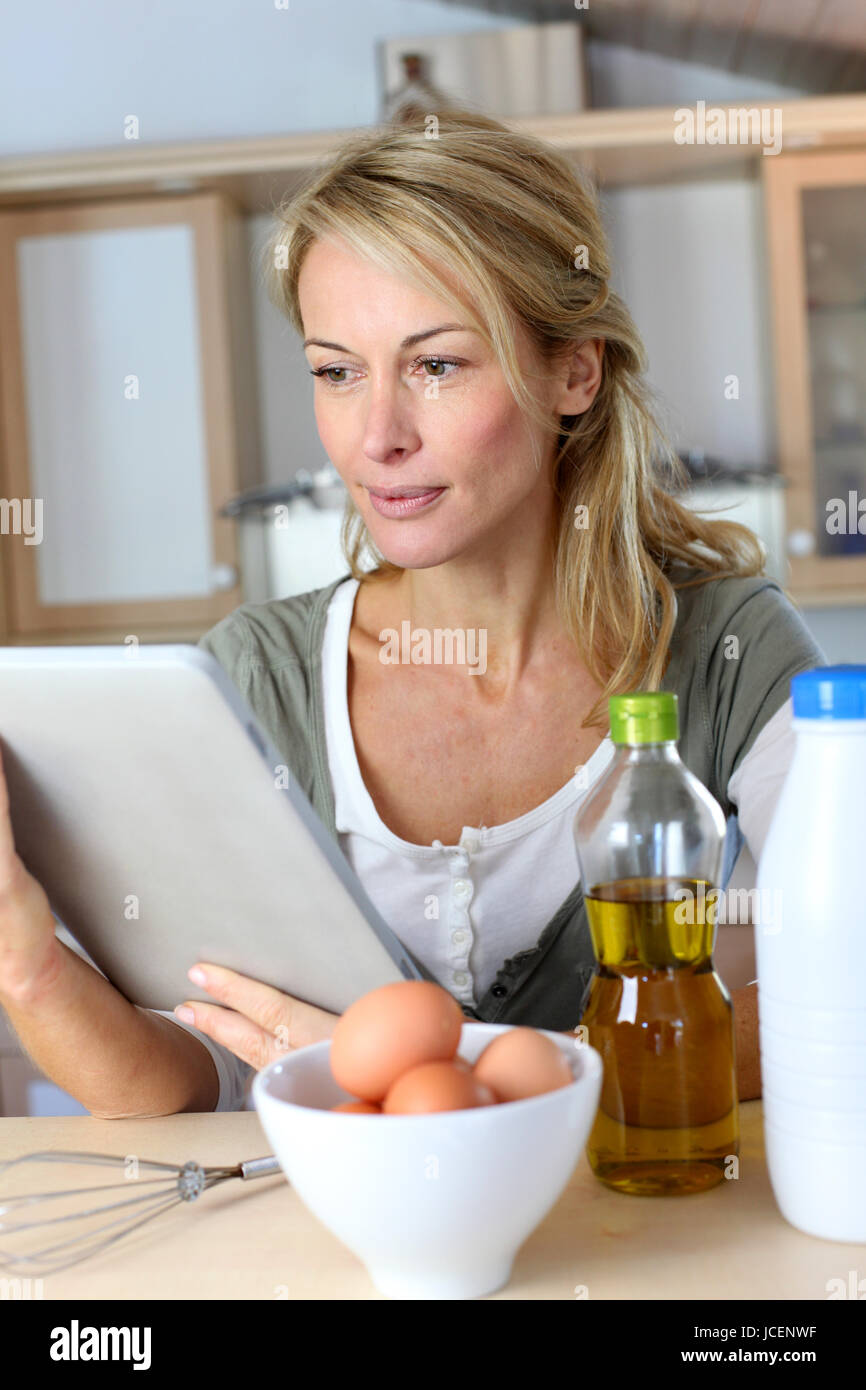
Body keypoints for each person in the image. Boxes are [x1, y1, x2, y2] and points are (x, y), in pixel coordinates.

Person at [0, 109, 825, 1118]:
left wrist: (427, 1071)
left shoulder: (728, 651)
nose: (374, 435)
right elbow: (190, 1071)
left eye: (435, 365)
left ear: (572, 370)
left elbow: (841, 986)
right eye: (335, 371)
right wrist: (24, 953)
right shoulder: (255, 680)